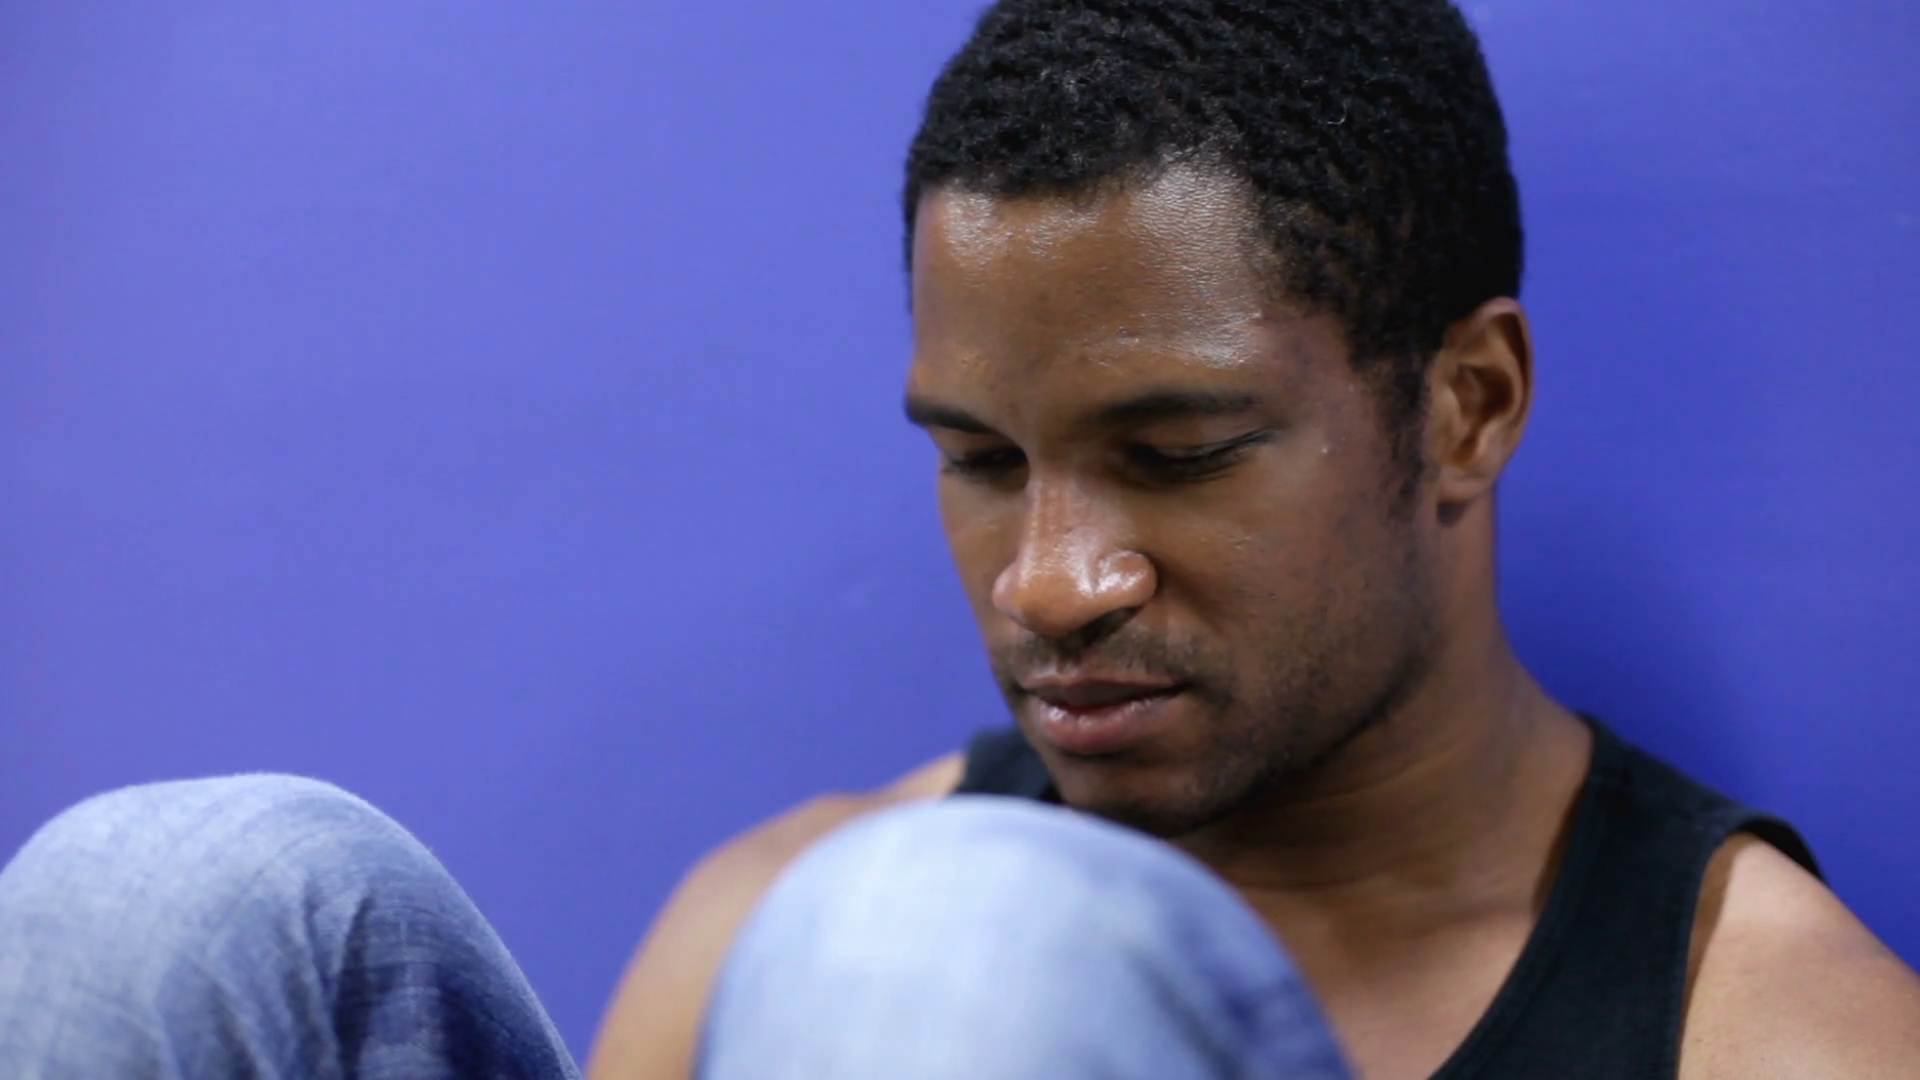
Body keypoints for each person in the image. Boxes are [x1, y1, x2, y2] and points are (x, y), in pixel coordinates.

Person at [2, 0, 1916, 1077]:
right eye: (984, 460)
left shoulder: (1766, 1032)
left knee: (944, 956)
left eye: (1178, 453)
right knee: (177, 888)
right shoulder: (775, 915)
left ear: (1466, 407)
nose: (1047, 583)